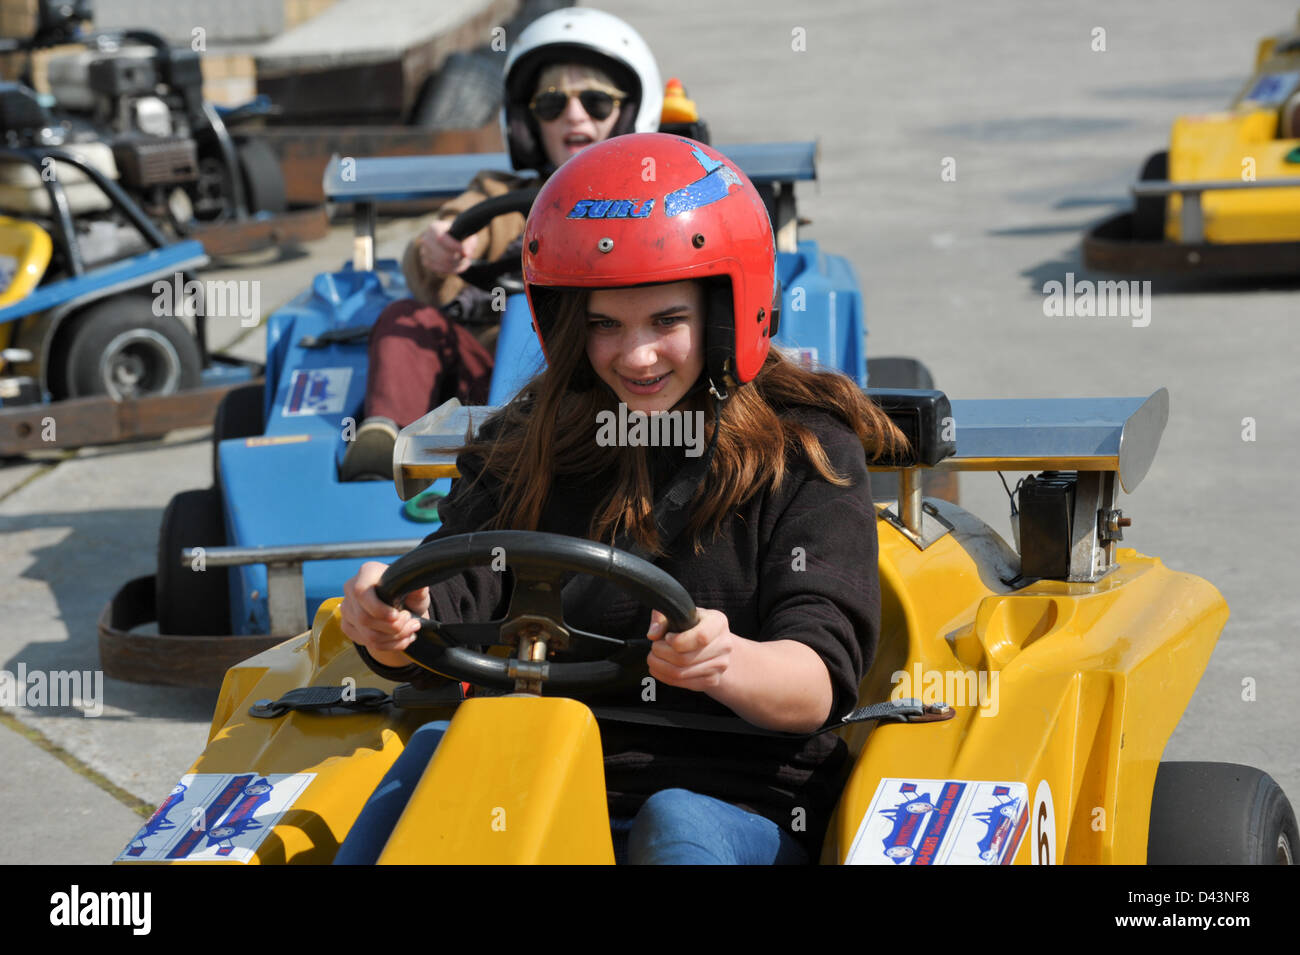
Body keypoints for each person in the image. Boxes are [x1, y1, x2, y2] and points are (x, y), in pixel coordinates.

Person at [335, 133, 909, 864]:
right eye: (605, 324)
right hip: (548, 773)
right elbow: (453, 588)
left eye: (666, 321)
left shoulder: (808, 453)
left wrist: (724, 661)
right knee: (438, 755)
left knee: (672, 825)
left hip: (736, 800)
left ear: (727, 311)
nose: (634, 356)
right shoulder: (528, 439)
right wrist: (392, 617)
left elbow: (817, 682)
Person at [340, 7, 664, 480]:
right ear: (527, 121)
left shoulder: (653, 199)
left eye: (595, 101)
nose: (573, 115)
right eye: (552, 104)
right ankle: (391, 449)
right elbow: (457, 221)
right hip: (495, 385)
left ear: (629, 111)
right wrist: (441, 247)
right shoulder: (501, 193)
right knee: (406, 319)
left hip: (602, 372)